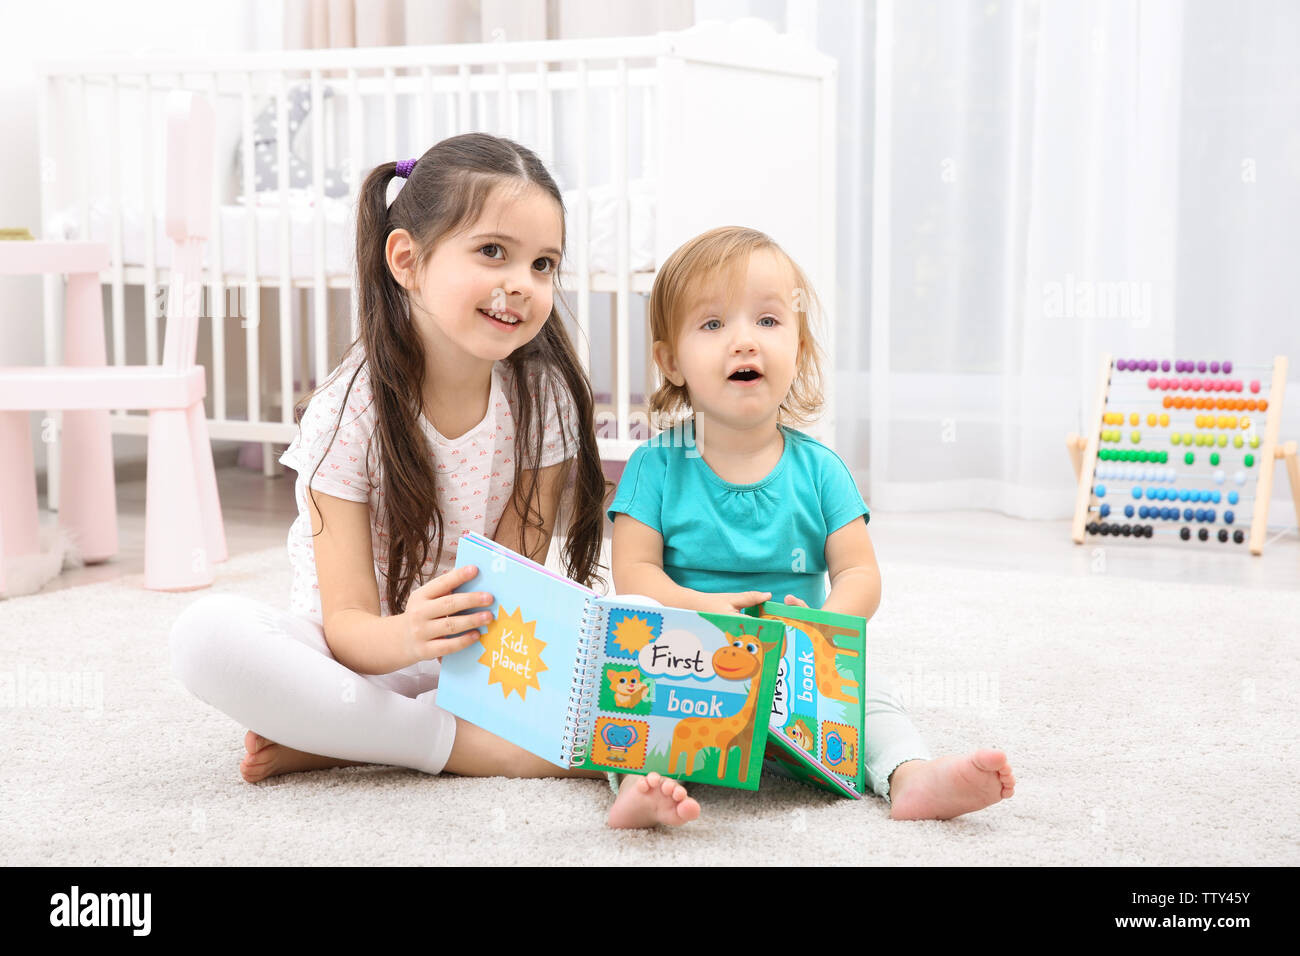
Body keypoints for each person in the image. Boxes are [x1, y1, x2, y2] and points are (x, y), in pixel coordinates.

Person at [169, 133, 683, 828]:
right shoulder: (345, 413)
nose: (522, 284)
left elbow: (517, 586)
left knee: (639, 669)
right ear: (407, 260)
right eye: (493, 252)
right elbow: (347, 625)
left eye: (543, 265)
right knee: (207, 634)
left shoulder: (545, 400)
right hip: (365, 656)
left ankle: (342, 743)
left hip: (481, 654)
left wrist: (498, 656)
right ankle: (479, 749)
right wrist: (411, 636)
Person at [606, 226, 1016, 824]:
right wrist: (697, 608)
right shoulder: (655, 466)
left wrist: (821, 626)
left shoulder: (821, 470)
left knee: (871, 698)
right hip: (691, 662)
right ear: (670, 361)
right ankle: (641, 787)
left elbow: (860, 573)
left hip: (798, 673)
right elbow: (634, 575)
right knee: (630, 696)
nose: (744, 342)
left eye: (768, 321)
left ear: (798, 347)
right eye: (714, 324)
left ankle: (911, 775)